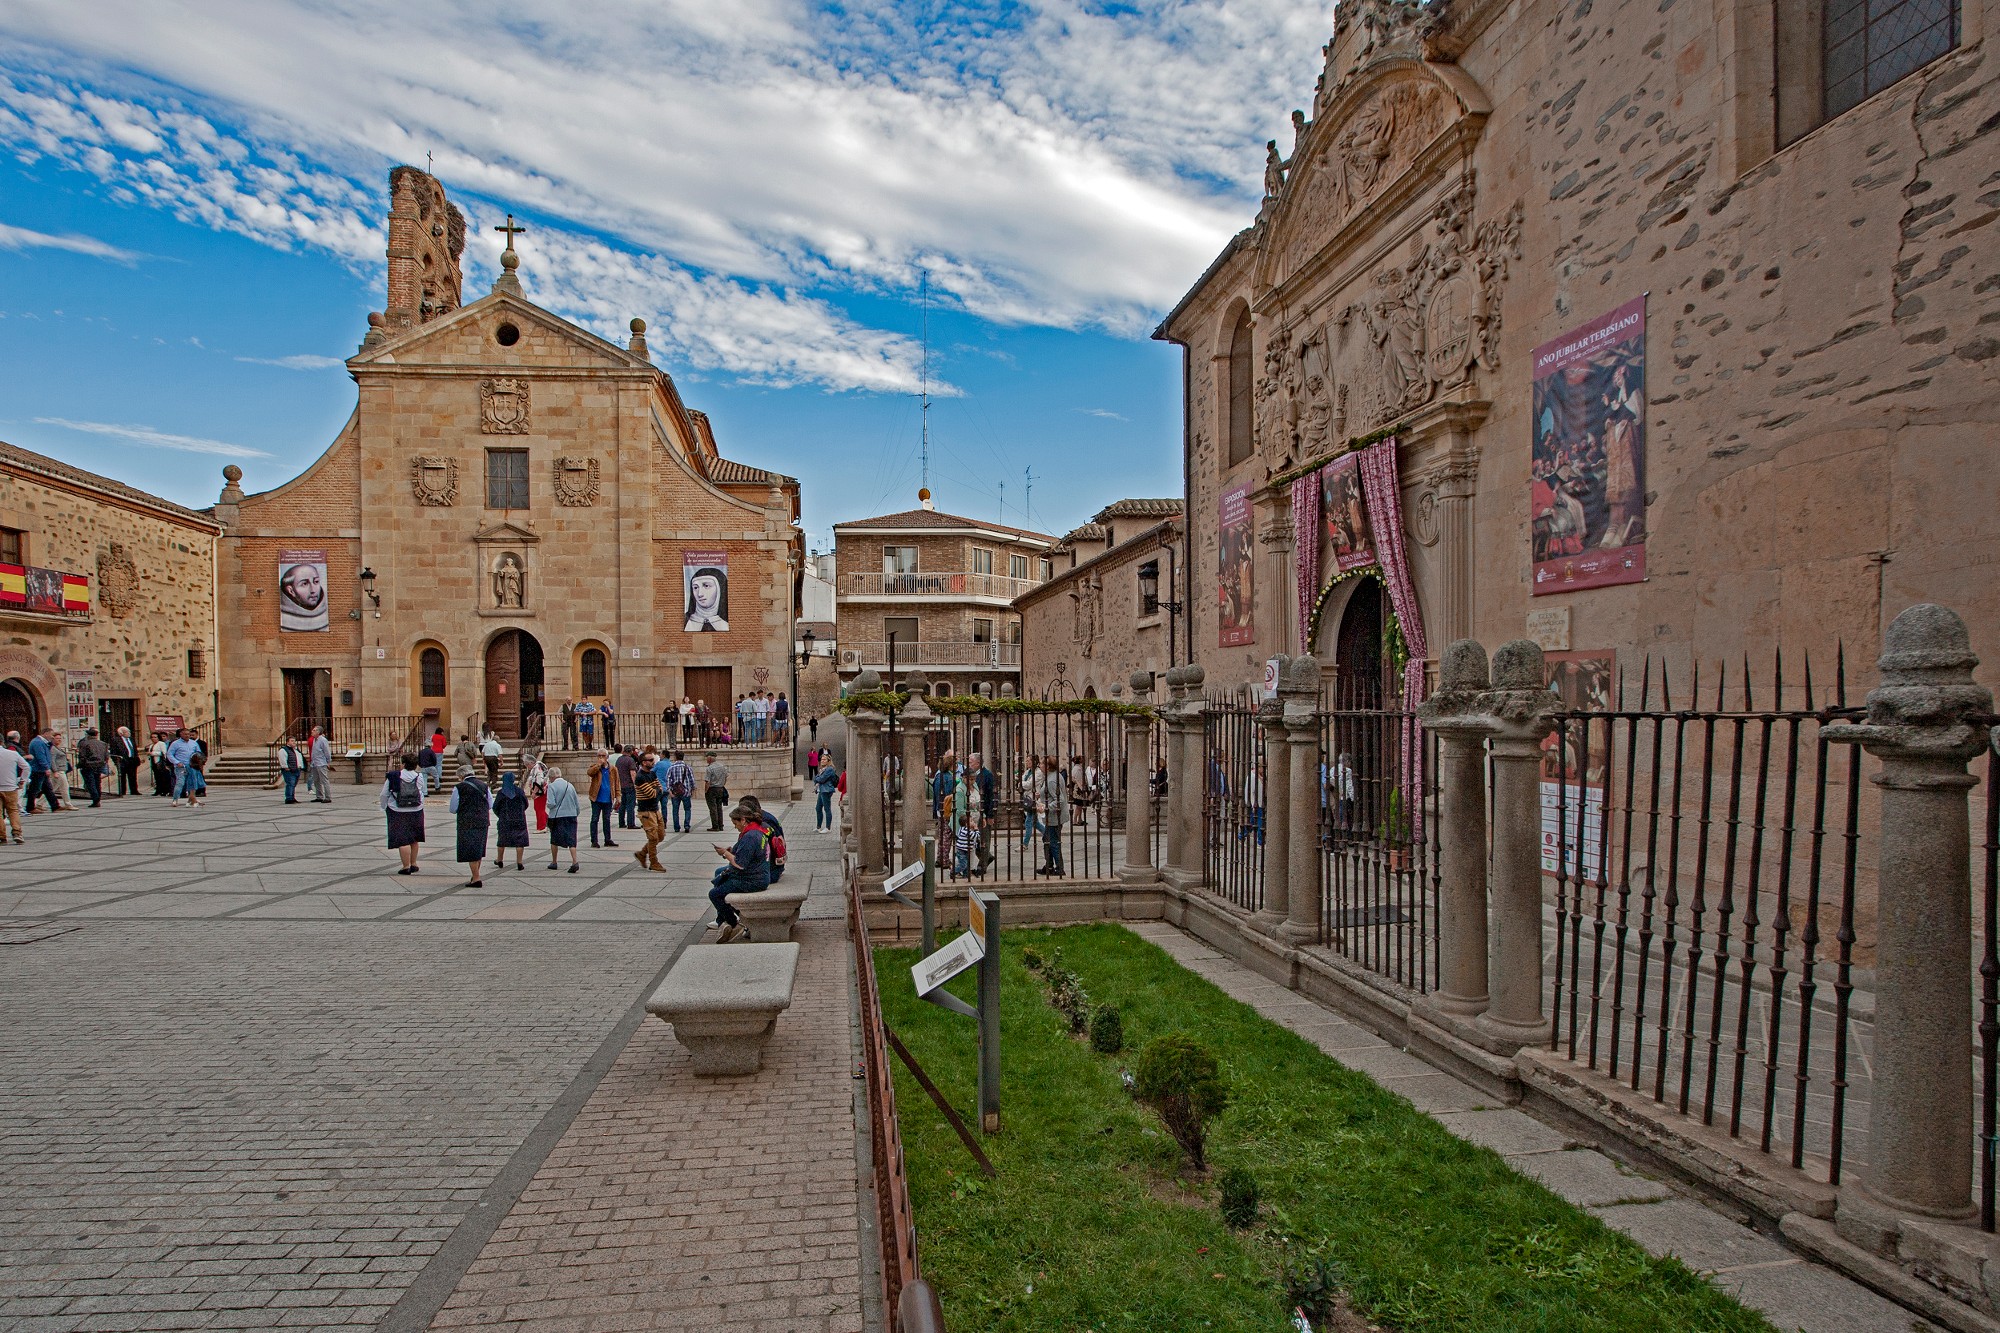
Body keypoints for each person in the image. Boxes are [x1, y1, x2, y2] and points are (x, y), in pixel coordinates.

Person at [707, 804, 769, 942]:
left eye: (735, 823)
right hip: (758, 874)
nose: (735, 826)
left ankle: (734, 923)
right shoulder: (756, 831)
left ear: (743, 820)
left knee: (714, 894)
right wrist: (729, 851)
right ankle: (728, 917)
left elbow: (740, 864)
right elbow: (745, 853)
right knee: (719, 874)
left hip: (752, 879)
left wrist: (725, 853)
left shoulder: (750, 837)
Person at [380, 754, 426, 873]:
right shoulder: (419, 776)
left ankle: (406, 866)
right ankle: (414, 863)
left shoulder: (394, 776)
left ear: (403, 764)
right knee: (414, 838)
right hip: (416, 810)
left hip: (397, 810)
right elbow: (421, 792)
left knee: (402, 839)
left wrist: (384, 806)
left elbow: (384, 794)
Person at [449, 767, 492, 888]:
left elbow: (453, 808)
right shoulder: (484, 785)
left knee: (470, 849)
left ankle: (476, 878)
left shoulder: (459, 787)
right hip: (483, 821)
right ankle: (475, 875)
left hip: (466, 821)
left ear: (461, 776)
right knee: (478, 848)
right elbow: (490, 804)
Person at [632, 751, 666, 871]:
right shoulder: (640, 777)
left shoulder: (652, 774)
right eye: (650, 760)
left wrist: (656, 790)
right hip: (646, 811)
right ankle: (654, 862)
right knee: (653, 838)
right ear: (643, 762)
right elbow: (651, 793)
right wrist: (656, 790)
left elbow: (660, 789)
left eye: (653, 759)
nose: (653, 761)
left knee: (661, 836)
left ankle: (642, 854)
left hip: (655, 809)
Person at [543, 765, 581, 873]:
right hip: (571, 815)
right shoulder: (570, 785)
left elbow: (551, 803)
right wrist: (575, 813)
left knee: (554, 839)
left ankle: (554, 862)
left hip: (557, 816)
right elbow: (576, 803)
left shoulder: (552, 786)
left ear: (551, 777)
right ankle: (574, 861)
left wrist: (548, 806)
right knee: (571, 839)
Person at [740, 794, 785, 882]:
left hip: (770, 871)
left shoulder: (763, 822)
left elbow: (780, 842)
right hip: (770, 868)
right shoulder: (764, 817)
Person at [1035, 755, 1066, 876]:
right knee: (1047, 839)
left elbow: (1059, 800)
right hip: (1053, 816)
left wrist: (1046, 807)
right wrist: (1041, 795)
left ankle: (1059, 868)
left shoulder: (1052, 779)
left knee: (1053, 841)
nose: (1039, 766)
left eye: (1041, 764)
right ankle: (1049, 866)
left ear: (1048, 767)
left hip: (1054, 817)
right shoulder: (1052, 776)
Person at [492, 771, 531, 870]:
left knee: (502, 840)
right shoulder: (520, 791)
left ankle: (499, 860)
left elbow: (495, 807)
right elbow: (526, 804)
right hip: (519, 819)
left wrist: (500, 815)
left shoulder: (501, 793)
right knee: (520, 840)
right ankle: (519, 862)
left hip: (505, 819)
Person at [586, 749, 620, 848]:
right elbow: (590, 773)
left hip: (608, 798)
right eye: (599, 756)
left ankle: (608, 839)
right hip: (596, 798)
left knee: (607, 819)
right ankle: (594, 840)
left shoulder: (613, 769)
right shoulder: (595, 767)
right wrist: (598, 765)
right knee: (594, 819)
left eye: (603, 755)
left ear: (607, 757)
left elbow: (617, 783)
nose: (601, 757)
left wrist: (618, 796)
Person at [970, 752, 997, 872]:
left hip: (984, 811)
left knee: (983, 839)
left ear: (978, 763)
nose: (969, 764)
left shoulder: (987, 775)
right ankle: (987, 857)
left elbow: (991, 795)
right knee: (974, 840)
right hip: (974, 812)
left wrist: (990, 814)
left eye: (971, 762)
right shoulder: (971, 774)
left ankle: (982, 865)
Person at [0, 735, 29, 842]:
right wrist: (22, 780)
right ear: (2, 742)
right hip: (11, 787)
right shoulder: (12, 754)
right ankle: (17, 833)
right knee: (13, 810)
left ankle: (2, 835)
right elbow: (26, 767)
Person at [163, 728, 201, 808]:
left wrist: (198, 761)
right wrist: (177, 762)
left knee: (193, 783)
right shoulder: (175, 744)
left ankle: (192, 798)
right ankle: (175, 799)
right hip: (181, 767)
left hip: (192, 766)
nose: (187, 736)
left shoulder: (193, 743)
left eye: (188, 734)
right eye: (185, 734)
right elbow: (169, 754)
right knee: (180, 783)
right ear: (181, 734)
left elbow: (198, 753)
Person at [685, 566, 729, 631]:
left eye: (706, 586)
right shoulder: (685, 620)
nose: (700, 594)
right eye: (695, 588)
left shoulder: (728, 620)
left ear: (719, 589)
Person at [664, 749, 695, 833]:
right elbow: (692, 780)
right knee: (687, 809)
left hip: (675, 792)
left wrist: (670, 792)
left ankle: (676, 827)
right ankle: (686, 825)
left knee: (675, 810)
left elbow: (668, 780)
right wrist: (692, 790)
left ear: (675, 757)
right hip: (686, 791)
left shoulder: (671, 767)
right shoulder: (687, 767)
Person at [77, 728, 109, 808]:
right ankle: (97, 797)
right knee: (97, 782)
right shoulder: (103, 743)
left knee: (90, 783)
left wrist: (80, 764)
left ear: (88, 735)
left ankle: (96, 798)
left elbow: (82, 756)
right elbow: (106, 756)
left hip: (88, 765)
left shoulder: (84, 743)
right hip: (99, 764)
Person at [703, 751, 729, 831]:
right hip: (720, 788)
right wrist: (722, 785)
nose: (706, 759)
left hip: (712, 789)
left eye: (707, 757)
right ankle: (720, 825)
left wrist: (706, 791)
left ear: (710, 758)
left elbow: (707, 781)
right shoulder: (722, 766)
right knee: (719, 807)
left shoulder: (709, 768)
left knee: (713, 808)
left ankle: (715, 826)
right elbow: (726, 777)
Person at [615, 745, 639, 830]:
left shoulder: (619, 759)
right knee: (630, 805)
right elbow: (632, 773)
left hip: (621, 784)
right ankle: (630, 823)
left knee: (622, 804)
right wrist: (635, 784)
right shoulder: (630, 760)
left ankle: (621, 822)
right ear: (631, 751)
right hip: (629, 785)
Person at [111, 726, 140, 797]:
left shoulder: (131, 739)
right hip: (122, 761)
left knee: (133, 776)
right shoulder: (116, 740)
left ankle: (134, 790)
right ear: (122, 733)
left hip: (132, 760)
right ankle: (122, 791)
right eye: (127, 732)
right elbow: (113, 752)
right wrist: (116, 761)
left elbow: (135, 750)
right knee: (122, 777)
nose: (129, 733)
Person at [524, 752, 550, 832]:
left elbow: (539, 781)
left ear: (531, 763)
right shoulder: (538, 766)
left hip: (540, 791)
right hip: (542, 790)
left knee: (539, 808)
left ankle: (541, 827)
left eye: (527, 765)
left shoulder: (537, 768)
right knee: (538, 808)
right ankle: (550, 822)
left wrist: (534, 792)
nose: (527, 767)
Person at [307, 726, 333, 803]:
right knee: (316, 780)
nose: (312, 731)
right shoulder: (315, 739)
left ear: (318, 732)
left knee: (324, 780)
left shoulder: (323, 740)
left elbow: (327, 751)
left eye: (314, 730)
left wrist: (328, 761)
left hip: (321, 763)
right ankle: (319, 796)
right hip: (315, 763)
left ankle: (328, 797)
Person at [278, 735, 305, 803]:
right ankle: (289, 798)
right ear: (287, 742)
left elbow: (299, 758)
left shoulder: (296, 750)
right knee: (290, 784)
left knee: (293, 784)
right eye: (292, 741)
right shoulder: (283, 750)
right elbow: (282, 759)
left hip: (297, 769)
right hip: (290, 770)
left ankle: (292, 797)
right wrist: (286, 767)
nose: (294, 742)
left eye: (294, 741)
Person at [814, 762, 839, 832]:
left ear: (828, 761)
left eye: (824, 759)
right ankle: (818, 826)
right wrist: (818, 777)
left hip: (826, 790)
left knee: (827, 808)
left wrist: (818, 777)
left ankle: (828, 827)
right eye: (822, 759)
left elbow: (821, 779)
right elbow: (815, 778)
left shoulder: (829, 769)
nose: (822, 761)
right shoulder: (822, 769)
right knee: (818, 808)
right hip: (821, 790)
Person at [148, 732, 172, 796]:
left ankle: (164, 790)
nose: (153, 738)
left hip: (160, 762)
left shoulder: (161, 744)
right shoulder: (151, 745)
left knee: (163, 777)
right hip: (154, 762)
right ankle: (158, 790)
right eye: (152, 737)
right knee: (157, 777)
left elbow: (164, 753)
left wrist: (153, 753)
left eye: (155, 737)